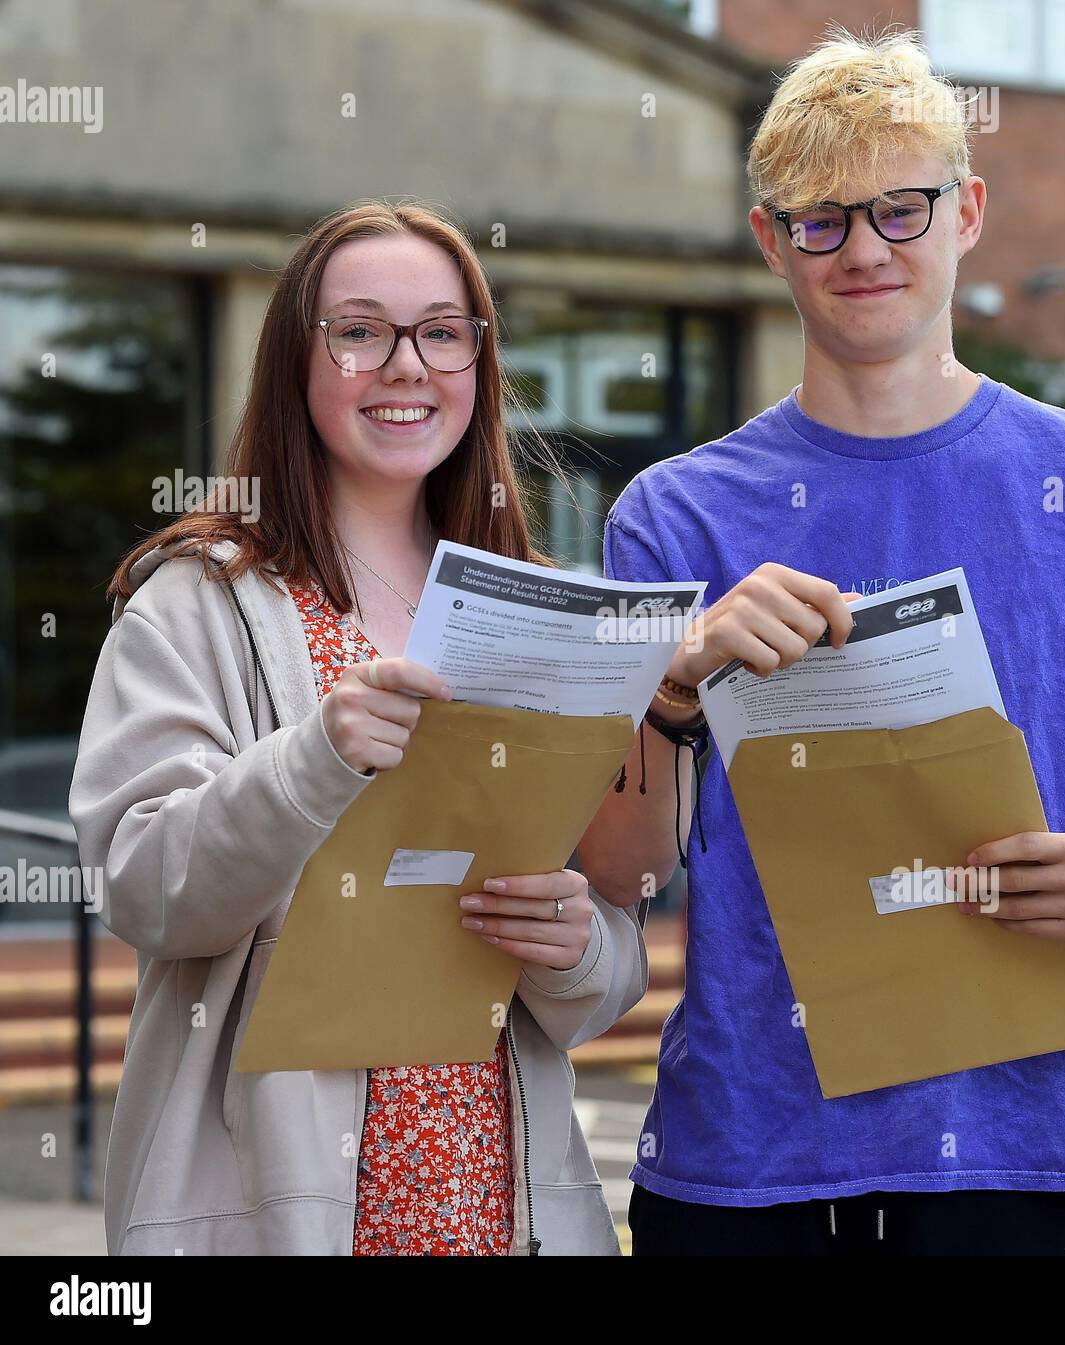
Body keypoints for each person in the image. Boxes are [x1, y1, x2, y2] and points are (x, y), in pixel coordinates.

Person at [577, 28, 1065, 1257]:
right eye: (821, 221)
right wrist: (676, 685)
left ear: (968, 213)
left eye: (900, 208)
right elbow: (621, 872)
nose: (865, 250)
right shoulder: (673, 515)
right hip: (751, 1157)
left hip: (1032, 1147)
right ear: (769, 242)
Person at [69, 200, 647, 1256]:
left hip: (496, 1208)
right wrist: (314, 757)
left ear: (476, 359)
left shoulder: (539, 605)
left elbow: (609, 962)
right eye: (359, 330)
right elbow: (143, 886)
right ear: (299, 360)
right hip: (279, 1206)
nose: (405, 365)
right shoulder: (196, 599)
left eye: (440, 330)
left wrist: (572, 944)